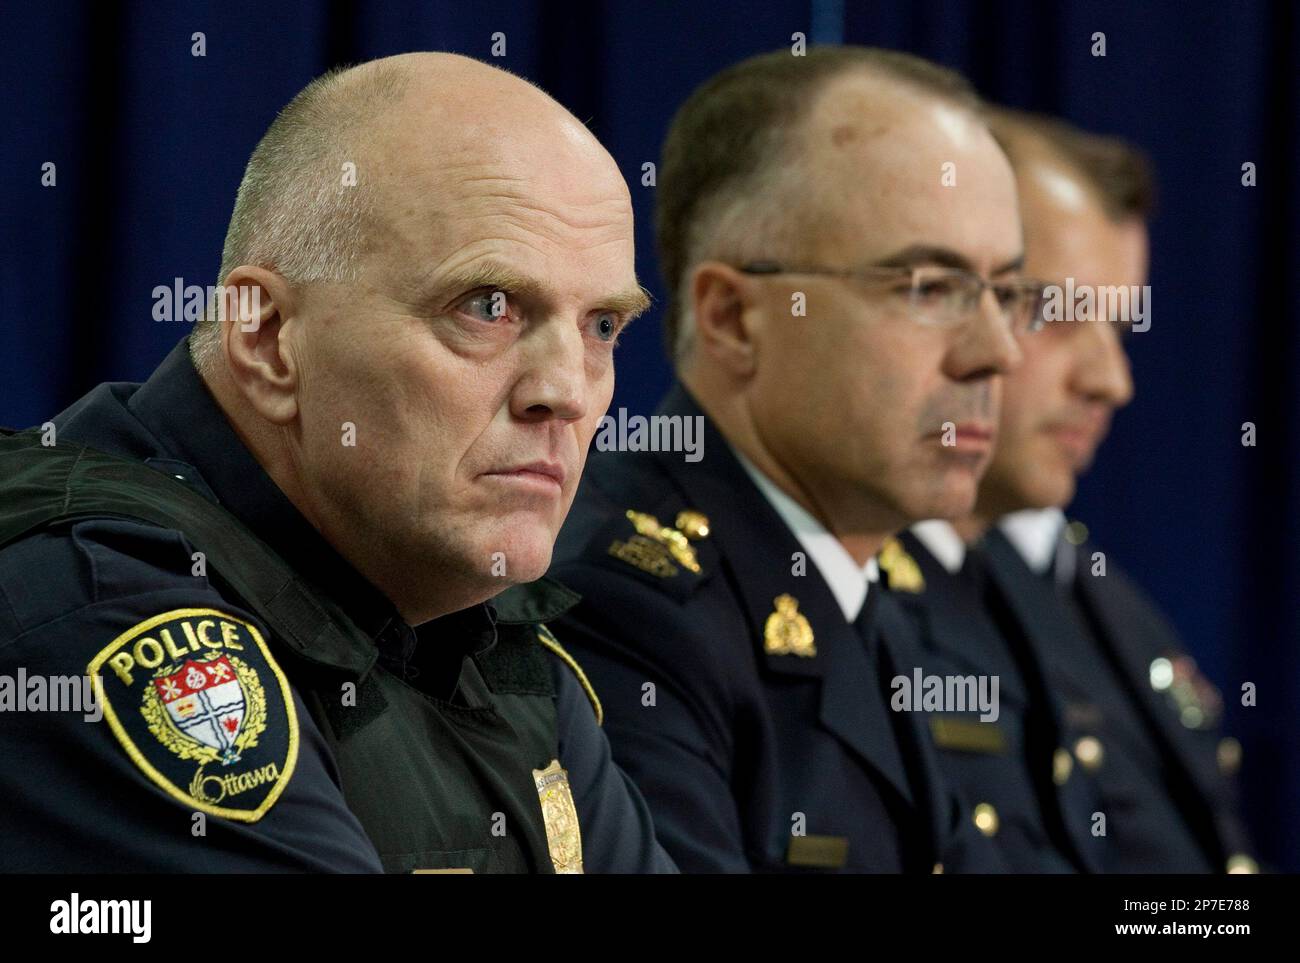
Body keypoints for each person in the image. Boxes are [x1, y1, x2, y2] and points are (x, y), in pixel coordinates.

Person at [0, 52, 675, 874]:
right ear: (268, 337)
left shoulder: (488, 637)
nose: (566, 391)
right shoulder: (101, 620)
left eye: (602, 325)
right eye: (488, 308)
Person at [550, 47, 1041, 872]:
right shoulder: (627, 606)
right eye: (930, 287)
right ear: (735, 318)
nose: (997, 353)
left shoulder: (871, 583)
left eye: (1008, 293)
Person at [898, 108, 1256, 873]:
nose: (1111, 381)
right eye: (1057, 314)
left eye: (1120, 329)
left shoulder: (1104, 602)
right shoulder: (856, 601)